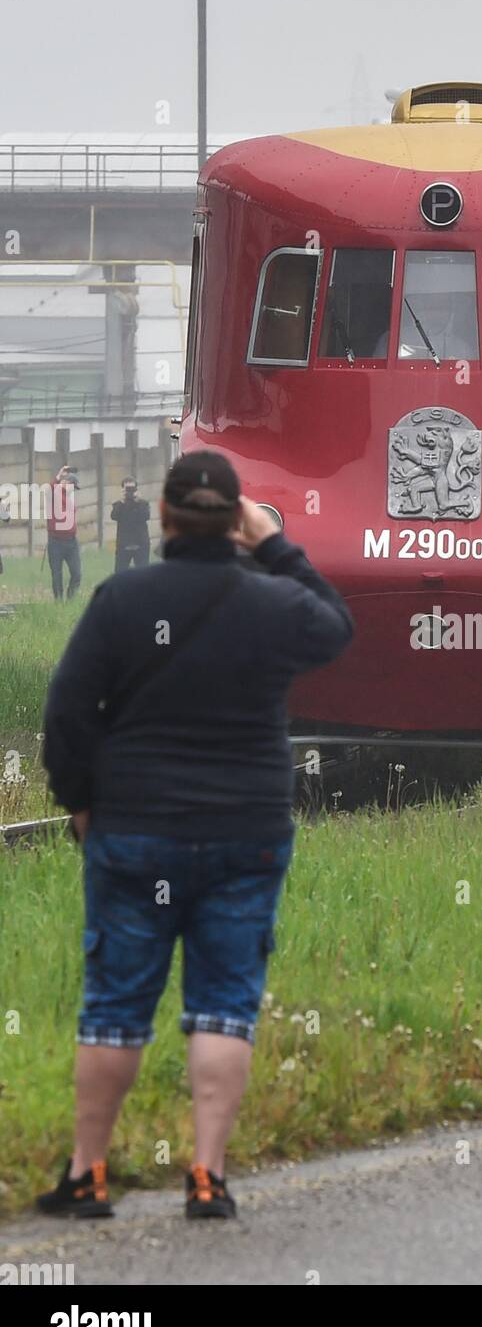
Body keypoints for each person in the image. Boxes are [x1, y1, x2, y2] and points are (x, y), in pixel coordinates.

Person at [39, 450, 353, 1220]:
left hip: (135, 832)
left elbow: (67, 714)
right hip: (245, 835)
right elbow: (337, 627)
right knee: (224, 1005)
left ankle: (88, 1176)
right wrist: (273, 546)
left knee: (115, 1004)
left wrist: (83, 805)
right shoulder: (273, 602)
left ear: (166, 518)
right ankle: (206, 1176)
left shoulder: (123, 599)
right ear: (237, 519)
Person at [46, 463, 82, 600]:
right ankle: (59, 602)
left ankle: (70, 599)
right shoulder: (54, 494)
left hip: (72, 542)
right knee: (57, 574)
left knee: (77, 573)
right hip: (56, 542)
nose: (74, 490)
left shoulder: (70, 499)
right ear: (66, 483)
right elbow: (48, 489)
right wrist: (58, 476)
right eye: (73, 486)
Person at [111, 477, 151, 571]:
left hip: (140, 543)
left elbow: (146, 516)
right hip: (124, 544)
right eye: (127, 489)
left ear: (136, 489)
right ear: (122, 490)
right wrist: (122, 501)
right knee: (120, 573)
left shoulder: (143, 504)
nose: (130, 492)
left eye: (132, 489)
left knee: (143, 574)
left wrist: (138, 501)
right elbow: (114, 516)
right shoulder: (118, 504)